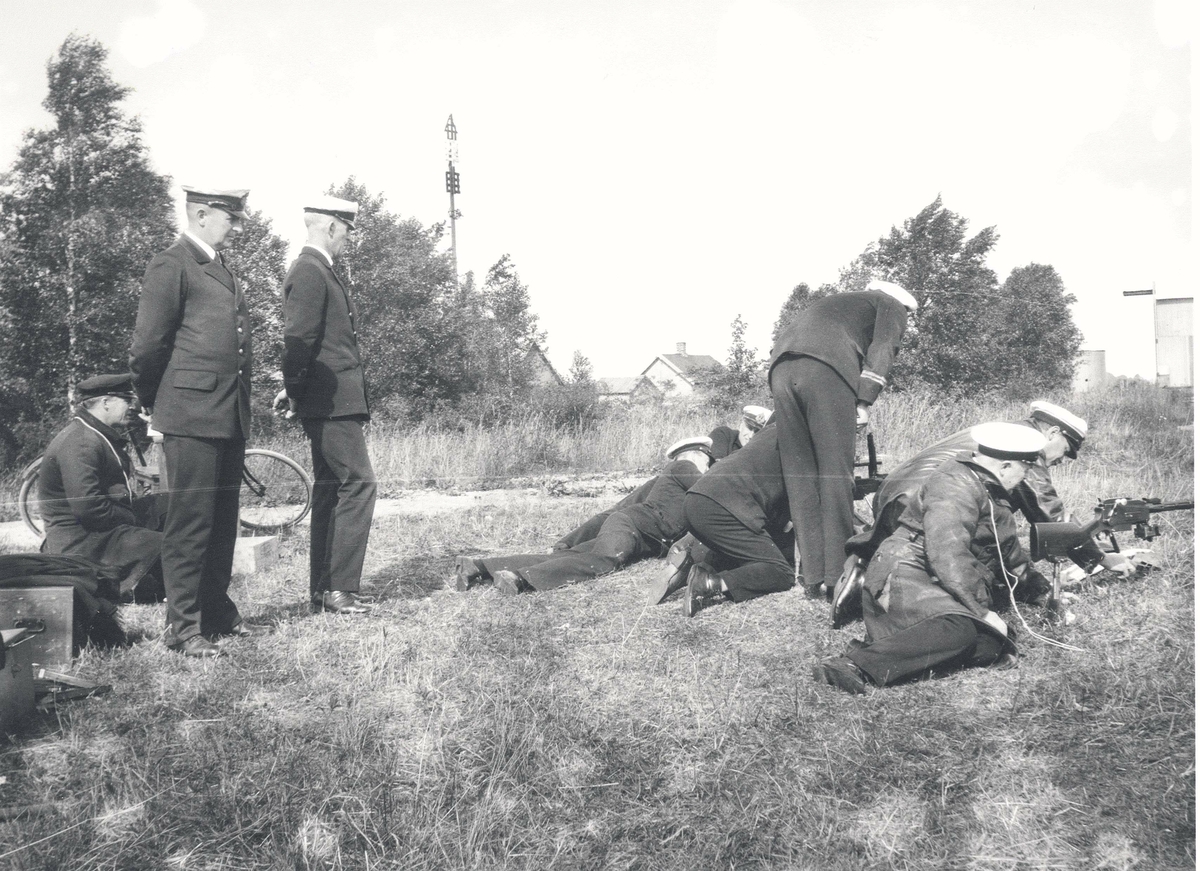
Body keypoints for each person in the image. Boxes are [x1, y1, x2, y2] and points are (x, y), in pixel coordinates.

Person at [832, 401, 1134, 625]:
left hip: (897, 493)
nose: (1061, 461)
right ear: (1053, 432)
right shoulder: (1024, 448)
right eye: (1066, 451)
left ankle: (865, 577)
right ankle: (876, 596)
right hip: (930, 497)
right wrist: (1103, 559)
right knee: (956, 572)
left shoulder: (1008, 433)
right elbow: (1050, 516)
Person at [813, 422, 1053, 694]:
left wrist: (1043, 591)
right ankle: (855, 664)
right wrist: (982, 611)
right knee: (959, 629)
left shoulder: (990, 489)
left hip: (930, 574)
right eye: (1026, 468)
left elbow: (1009, 554)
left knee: (991, 644)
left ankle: (902, 648)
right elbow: (947, 555)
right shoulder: (954, 484)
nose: (1026, 477)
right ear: (1006, 466)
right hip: (906, 569)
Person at [129, 186, 257, 658]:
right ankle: (182, 628)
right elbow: (148, 346)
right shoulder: (172, 263)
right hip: (190, 414)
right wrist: (154, 402)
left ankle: (215, 612)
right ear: (202, 214)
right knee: (190, 524)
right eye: (231, 218)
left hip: (225, 412)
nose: (237, 227)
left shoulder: (217, 266)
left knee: (222, 522)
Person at [768, 279, 917, 594]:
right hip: (827, 369)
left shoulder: (841, 302)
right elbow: (883, 348)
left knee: (801, 479)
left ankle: (812, 578)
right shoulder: (889, 304)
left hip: (781, 368)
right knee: (836, 476)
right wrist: (864, 399)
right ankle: (838, 578)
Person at [274, 197, 376, 615]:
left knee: (332, 489)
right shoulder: (312, 271)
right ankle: (338, 588)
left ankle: (324, 589)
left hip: (328, 399)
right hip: (330, 402)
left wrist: (292, 389)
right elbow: (299, 341)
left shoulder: (316, 271)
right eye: (348, 232)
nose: (349, 240)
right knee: (359, 484)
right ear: (332, 227)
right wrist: (296, 390)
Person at [454, 437, 715, 595]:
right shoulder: (683, 466)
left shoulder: (663, 479)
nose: (710, 467)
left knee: (570, 556)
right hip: (632, 527)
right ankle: (521, 579)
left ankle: (478, 566)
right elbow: (711, 491)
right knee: (604, 561)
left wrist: (570, 541)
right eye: (708, 461)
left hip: (630, 529)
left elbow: (613, 511)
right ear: (694, 455)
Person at [38, 374, 164, 603]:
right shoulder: (81, 442)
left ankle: (152, 582)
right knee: (170, 544)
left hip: (96, 531)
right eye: (127, 399)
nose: (132, 406)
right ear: (106, 402)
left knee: (170, 506)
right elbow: (90, 509)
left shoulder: (93, 433)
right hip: (82, 542)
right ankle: (135, 588)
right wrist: (132, 518)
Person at [670, 423, 797, 616]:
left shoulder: (767, 436)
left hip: (695, 500)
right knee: (781, 572)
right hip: (722, 507)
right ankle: (709, 583)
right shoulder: (797, 443)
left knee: (750, 551)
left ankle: (704, 567)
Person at [707, 404, 773, 460]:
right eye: (749, 428)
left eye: (757, 431)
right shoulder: (724, 435)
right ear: (741, 425)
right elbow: (717, 467)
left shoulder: (762, 453)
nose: (750, 436)